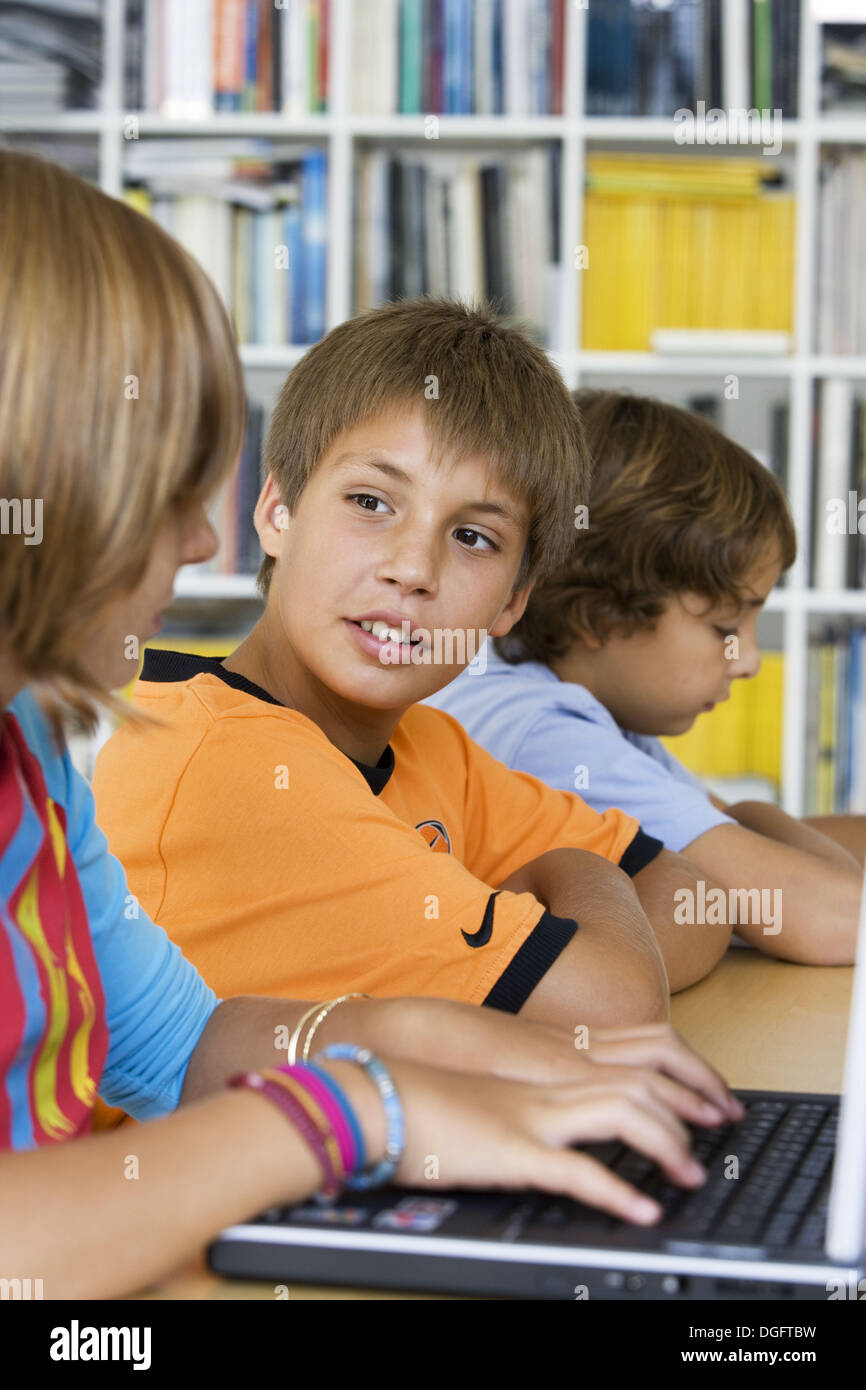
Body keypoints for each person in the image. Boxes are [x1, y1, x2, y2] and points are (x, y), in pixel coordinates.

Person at [0, 151, 743, 1300]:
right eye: (157, 486)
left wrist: (456, 1059)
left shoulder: (34, 745)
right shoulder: (201, 752)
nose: (200, 547)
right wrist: (353, 1109)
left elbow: (181, 1045)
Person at [426, 388, 863, 965]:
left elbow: (738, 844)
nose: (750, 660)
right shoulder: (543, 732)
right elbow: (836, 917)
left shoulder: (569, 699)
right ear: (597, 618)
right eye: (724, 626)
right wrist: (745, 819)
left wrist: (743, 821)